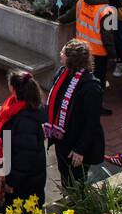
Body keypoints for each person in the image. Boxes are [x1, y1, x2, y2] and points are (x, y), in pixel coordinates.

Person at [43, 41, 107, 188]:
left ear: (71, 59)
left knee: (75, 179)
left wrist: (80, 149)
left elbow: (92, 123)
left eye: (63, 52)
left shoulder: (91, 87)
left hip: (76, 145)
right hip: (62, 137)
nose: (60, 54)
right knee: (64, 172)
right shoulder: (62, 72)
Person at [0, 70, 47, 202]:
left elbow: (24, 158)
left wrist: (11, 182)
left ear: (13, 88)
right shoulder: (17, 106)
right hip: (22, 174)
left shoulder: (25, 121)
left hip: (24, 183)